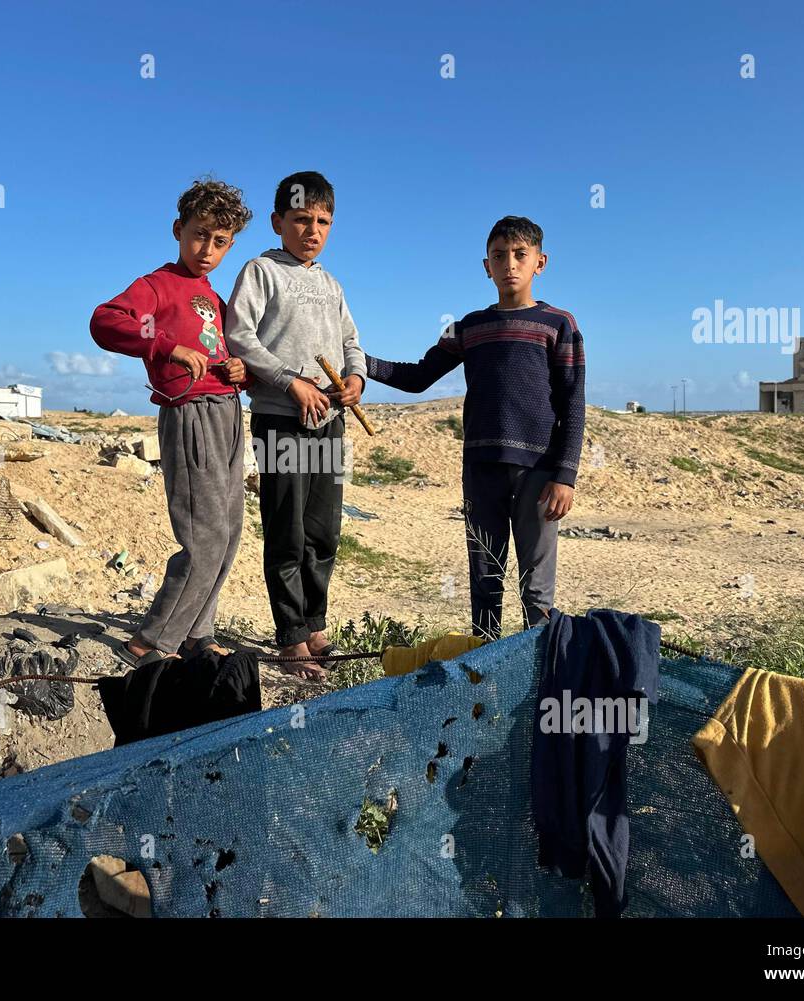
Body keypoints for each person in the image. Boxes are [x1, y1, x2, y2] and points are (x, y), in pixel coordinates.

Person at [363, 215, 585, 639]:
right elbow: (418, 376)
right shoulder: (468, 326)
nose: (510, 265)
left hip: (539, 471)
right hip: (481, 466)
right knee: (485, 576)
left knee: (535, 586)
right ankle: (484, 677)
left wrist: (565, 476)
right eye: (499, 256)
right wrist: (361, 362)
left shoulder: (560, 324)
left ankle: (534, 671)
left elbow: (573, 403)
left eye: (521, 255)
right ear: (486, 266)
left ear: (541, 262)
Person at [90, 178, 253, 666]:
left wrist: (238, 371)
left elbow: (222, 350)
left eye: (221, 242)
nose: (208, 250)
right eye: (200, 235)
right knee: (202, 536)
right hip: (189, 414)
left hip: (227, 413)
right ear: (178, 229)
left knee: (228, 532)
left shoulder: (213, 298)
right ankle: (151, 640)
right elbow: (105, 321)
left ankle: (197, 631)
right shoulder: (157, 286)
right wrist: (165, 346)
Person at [225, 171, 367, 679]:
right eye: (302, 219)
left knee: (323, 527)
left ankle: (315, 624)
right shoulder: (261, 271)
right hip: (282, 420)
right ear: (277, 221)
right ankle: (289, 636)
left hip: (329, 422)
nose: (313, 230)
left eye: (323, 221)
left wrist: (355, 379)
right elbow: (239, 336)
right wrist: (290, 382)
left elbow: (351, 341)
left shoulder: (330, 283)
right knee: (286, 526)